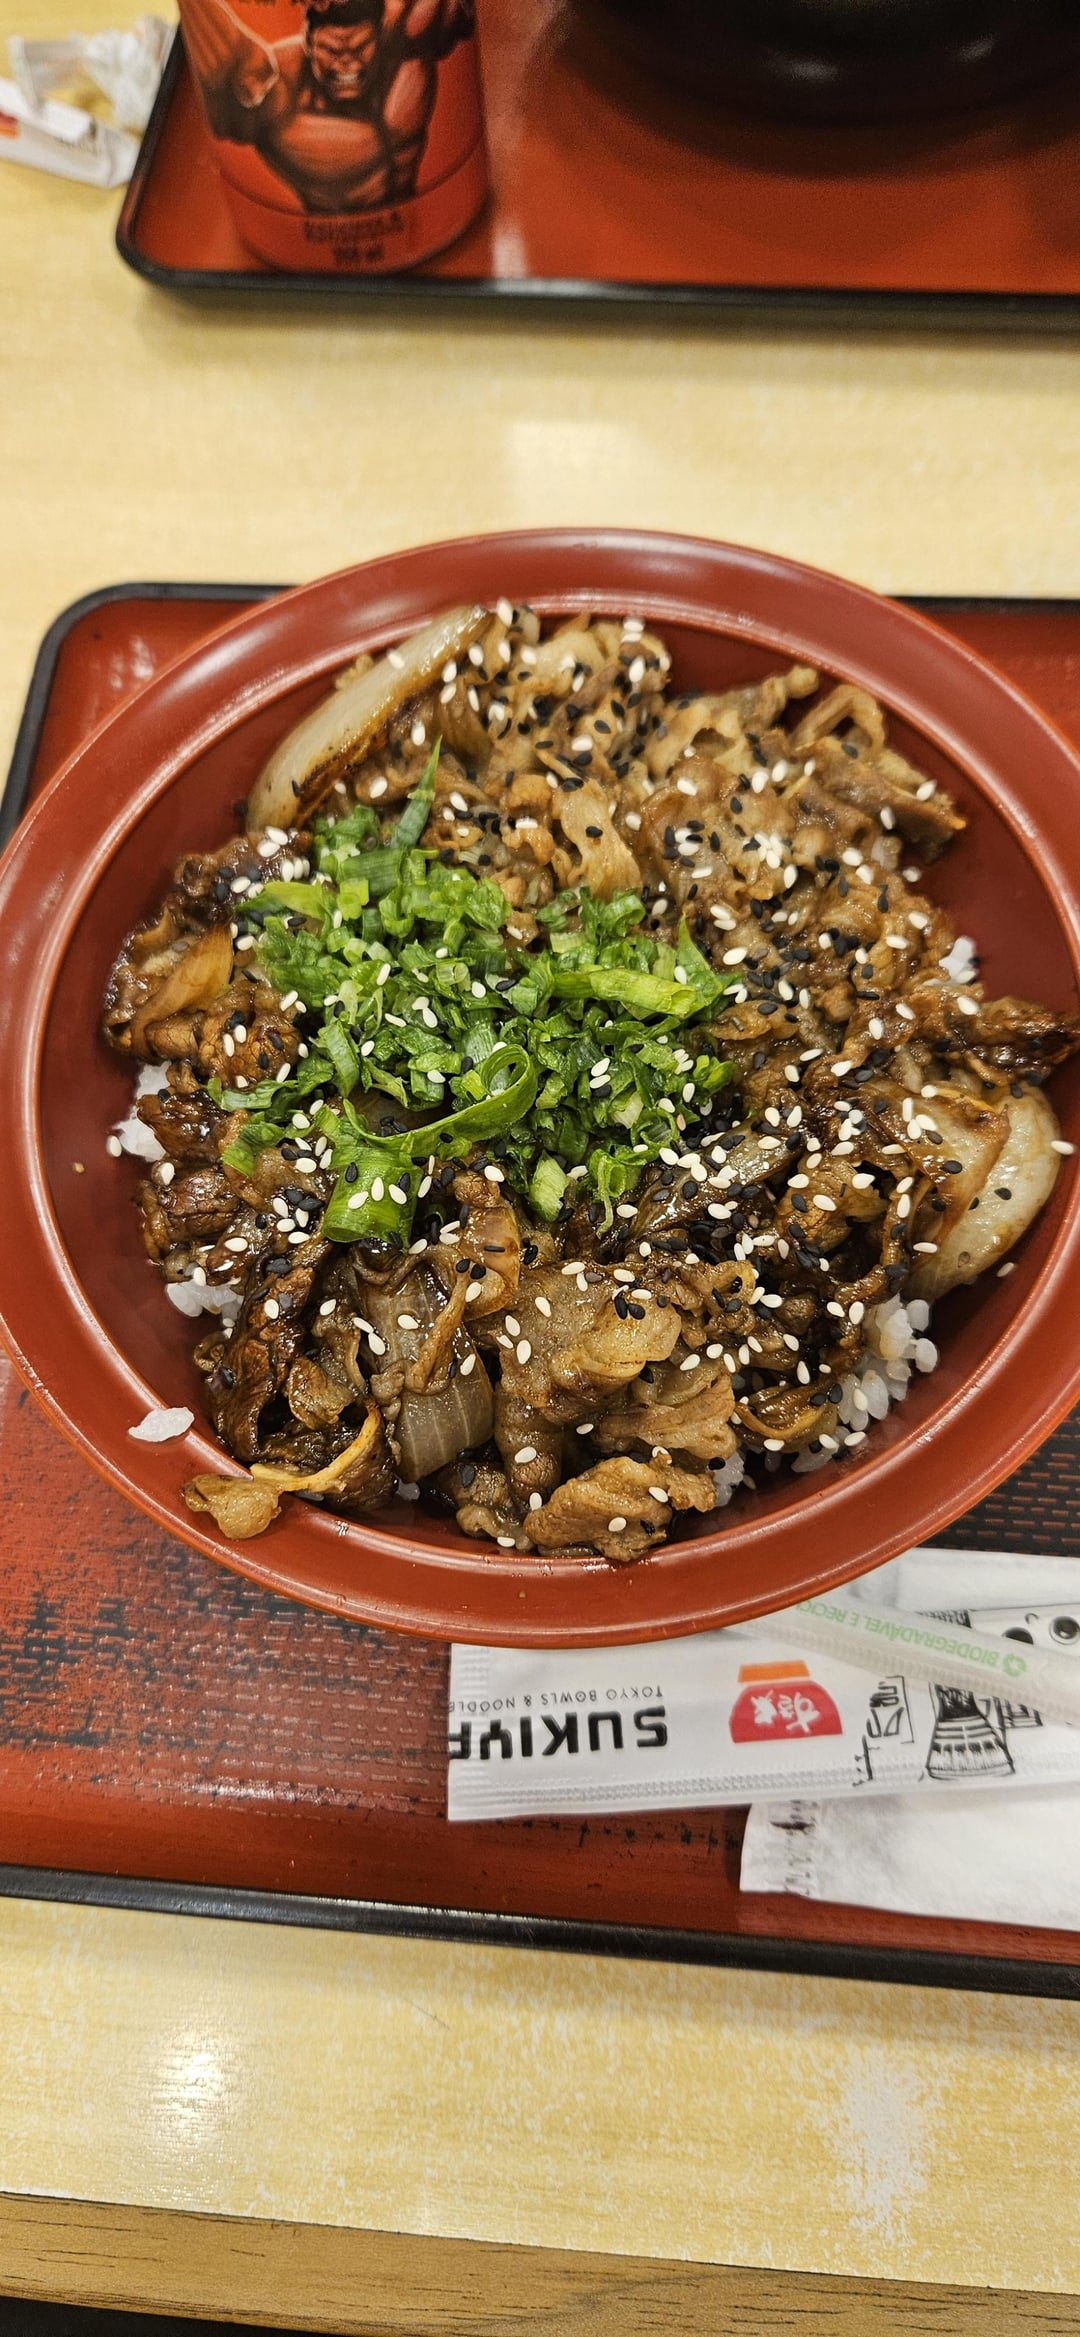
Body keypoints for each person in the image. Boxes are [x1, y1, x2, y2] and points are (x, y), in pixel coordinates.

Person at [182, 0, 474, 214]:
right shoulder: (276, 86)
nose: (346, 62)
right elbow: (236, 84)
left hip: (435, 219)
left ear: (378, 37)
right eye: (331, 51)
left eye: (360, 48)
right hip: (301, 250)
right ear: (310, 44)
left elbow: (445, 17)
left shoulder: (407, 50)